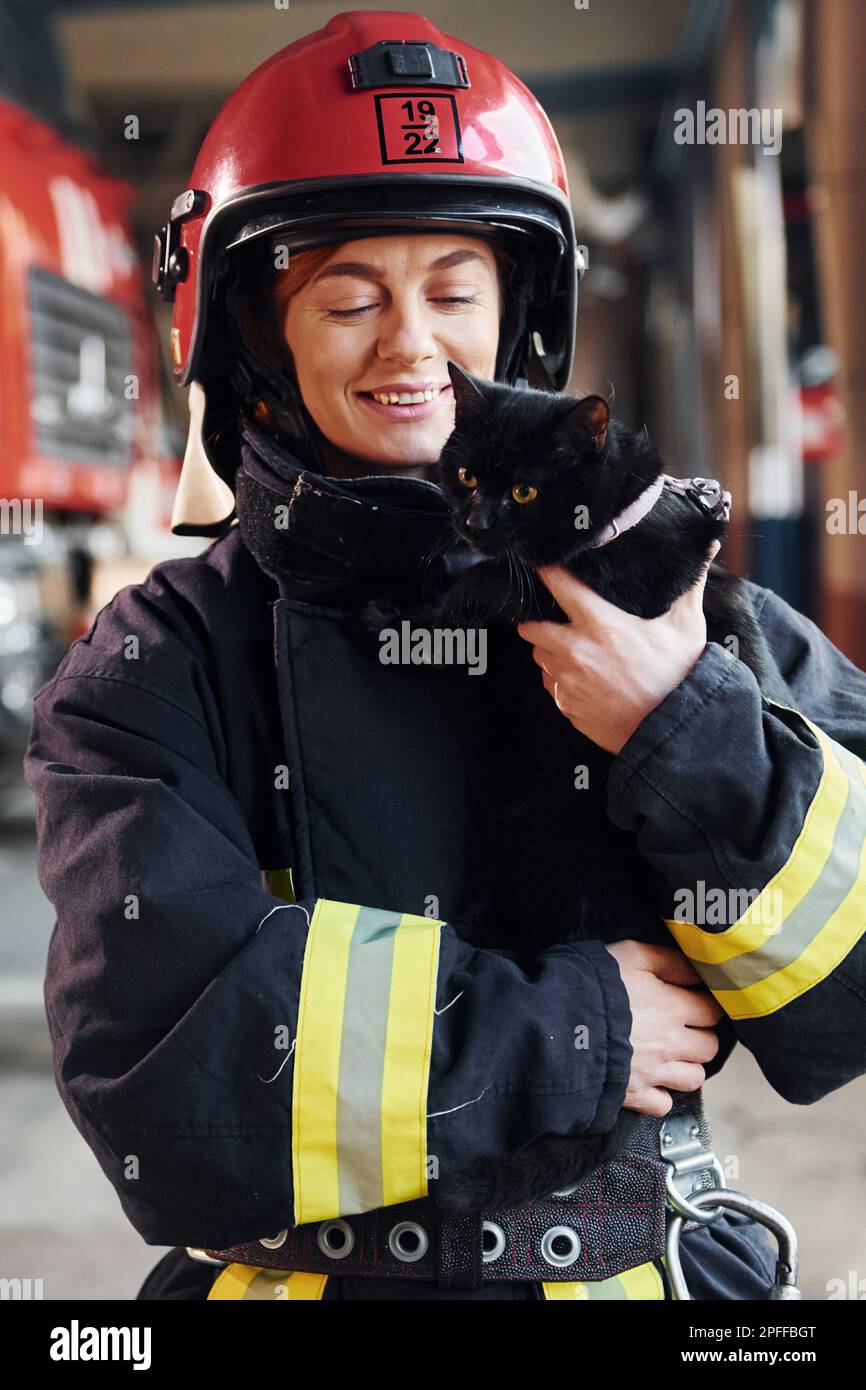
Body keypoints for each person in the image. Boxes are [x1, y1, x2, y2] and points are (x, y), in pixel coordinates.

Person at [23, 12, 866, 1303]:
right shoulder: (159, 669)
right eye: (349, 298)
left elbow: (848, 991)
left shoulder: (668, 603)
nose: (409, 343)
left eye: (454, 291)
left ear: (517, 313)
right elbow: (162, 1073)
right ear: (252, 336)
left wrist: (679, 724)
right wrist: (576, 1032)